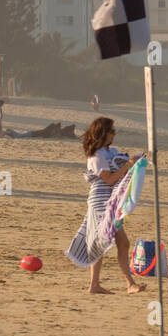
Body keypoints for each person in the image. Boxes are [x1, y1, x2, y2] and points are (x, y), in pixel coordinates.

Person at [68, 117, 146, 294]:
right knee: (107, 242)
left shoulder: (112, 151)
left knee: (116, 242)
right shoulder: (96, 156)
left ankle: (105, 285)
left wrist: (135, 164)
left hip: (112, 202)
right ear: (103, 133)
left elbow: (120, 172)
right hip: (101, 203)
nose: (114, 134)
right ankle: (125, 284)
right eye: (111, 131)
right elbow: (109, 180)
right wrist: (128, 165)